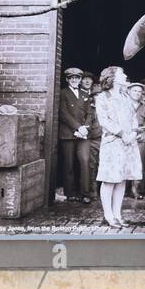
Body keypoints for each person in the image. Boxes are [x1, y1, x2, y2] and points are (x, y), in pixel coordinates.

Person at [95, 67, 143, 228]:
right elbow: (104, 121)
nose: (126, 75)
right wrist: (123, 133)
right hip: (112, 143)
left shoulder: (125, 96)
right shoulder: (103, 97)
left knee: (121, 179)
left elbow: (133, 118)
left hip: (128, 144)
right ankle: (108, 215)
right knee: (109, 180)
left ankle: (117, 214)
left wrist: (134, 132)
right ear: (113, 78)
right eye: (122, 74)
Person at [57, 68, 92, 203]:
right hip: (68, 133)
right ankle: (70, 192)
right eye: (71, 78)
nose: (74, 80)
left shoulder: (85, 94)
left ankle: (85, 193)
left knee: (84, 161)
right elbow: (63, 113)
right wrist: (78, 127)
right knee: (69, 164)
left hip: (83, 134)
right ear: (67, 80)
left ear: (80, 80)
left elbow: (90, 113)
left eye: (77, 78)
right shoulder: (63, 93)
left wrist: (85, 128)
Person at [127, 82, 145, 199]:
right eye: (134, 91)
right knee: (125, 163)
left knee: (138, 164)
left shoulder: (144, 106)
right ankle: (123, 190)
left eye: (139, 91)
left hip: (139, 139)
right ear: (129, 91)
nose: (137, 93)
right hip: (125, 138)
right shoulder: (123, 104)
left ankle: (134, 190)